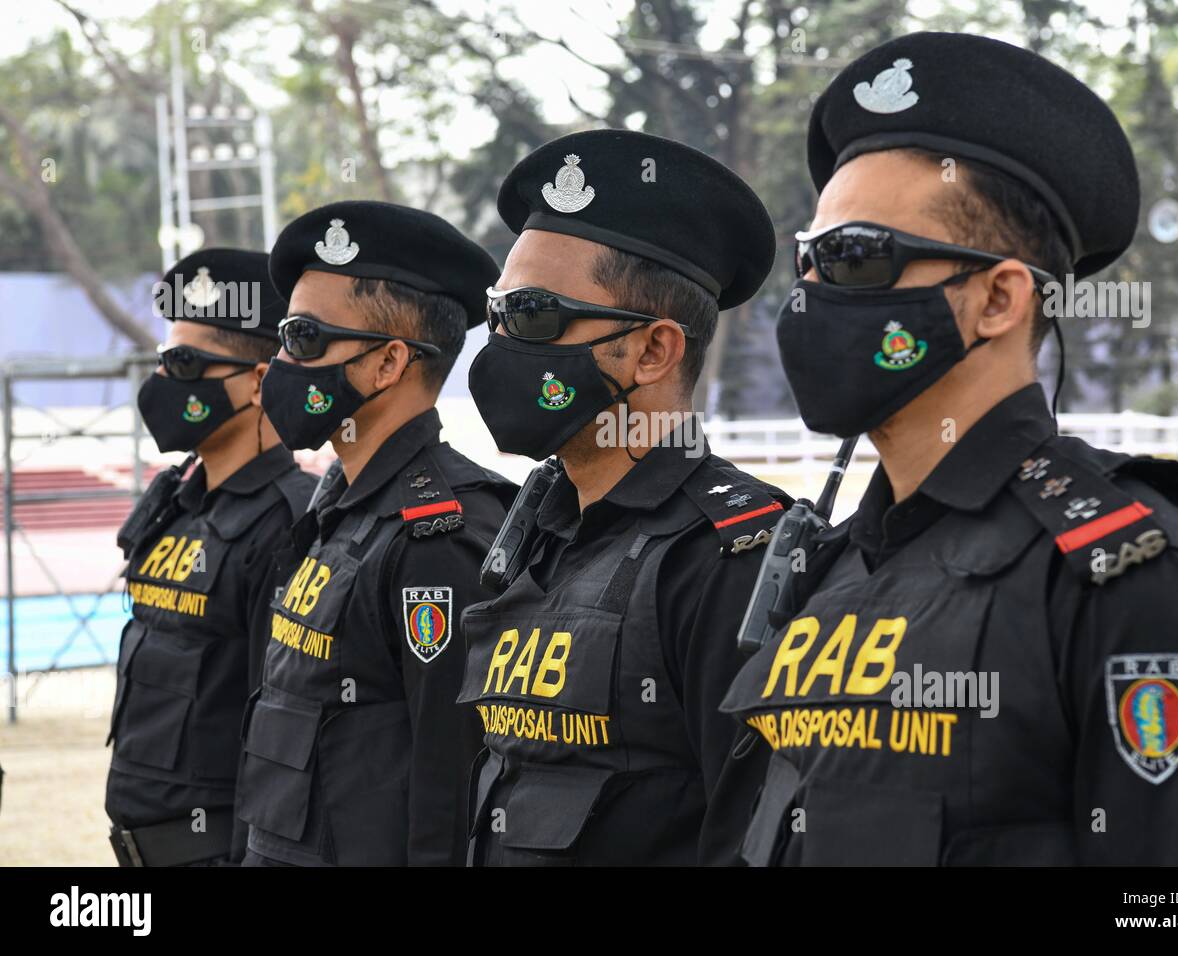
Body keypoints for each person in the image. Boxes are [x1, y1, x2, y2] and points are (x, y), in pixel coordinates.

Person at [717, 32, 1178, 865]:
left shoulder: (1122, 576)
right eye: (810, 260)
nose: (808, 297)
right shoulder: (828, 569)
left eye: (855, 258)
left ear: (997, 299)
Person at [458, 128, 790, 865]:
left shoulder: (734, 557)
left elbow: (753, 838)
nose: (503, 344)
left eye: (535, 316)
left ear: (653, 350)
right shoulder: (540, 529)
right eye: (498, 314)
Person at [237, 201, 516, 866]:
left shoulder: (441, 534)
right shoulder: (338, 499)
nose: (279, 361)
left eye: (303, 338)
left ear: (388, 362)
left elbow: (447, 784)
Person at [107, 248, 315, 866]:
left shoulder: (287, 521)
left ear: (258, 381)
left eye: (185, 362)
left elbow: (275, 726)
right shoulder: (178, 501)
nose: (163, 382)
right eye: (165, 360)